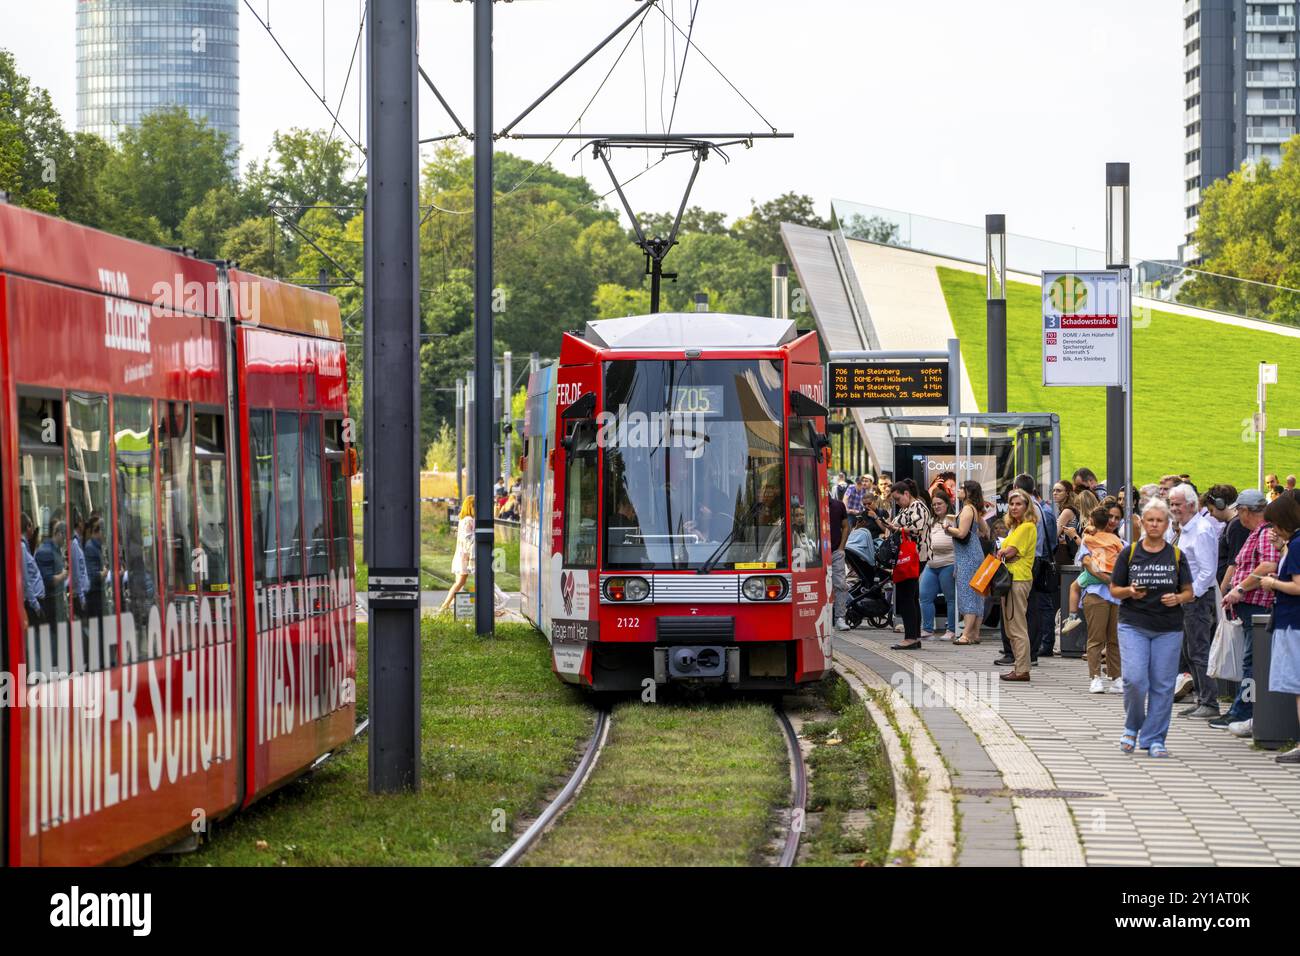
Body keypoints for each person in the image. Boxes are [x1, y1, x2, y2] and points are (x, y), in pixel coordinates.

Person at [1109, 499, 1194, 758]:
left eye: (1160, 520)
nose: (1155, 524)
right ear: (1142, 523)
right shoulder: (1130, 553)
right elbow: (1114, 589)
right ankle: (1132, 726)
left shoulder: (1176, 555)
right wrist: (1130, 592)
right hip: (1134, 624)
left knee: (1163, 685)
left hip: (1168, 627)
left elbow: (1189, 591)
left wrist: (1178, 598)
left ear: (1167, 524)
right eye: (1150, 520)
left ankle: (1155, 738)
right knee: (1135, 680)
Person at [1216, 489, 1279, 735]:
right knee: (1249, 660)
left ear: (1245, 511)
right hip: (1251, 607)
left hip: (1257, 606)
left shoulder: (1263, 533)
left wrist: (1239, 589)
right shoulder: (1259, 533)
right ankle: (1241, 709)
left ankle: (1244, 711)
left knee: (1251, 662)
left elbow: (1268, 564)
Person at [1168, 483, 1222, 719]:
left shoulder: (1200, 530)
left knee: (1199, 650)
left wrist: (1190, 595)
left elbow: (1207, 570)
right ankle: (1202, 698)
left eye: (1178, 504)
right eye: (1171, 504)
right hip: (1189, 597)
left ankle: (1210, 702)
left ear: (1191, 505)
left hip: (1197, 598)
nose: (1174, 508)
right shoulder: (1187, 529)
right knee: (1190, 650)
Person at [1257, 494, 1300, 764]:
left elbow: (1298, 586)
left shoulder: (1296, 546)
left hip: (1293, 623)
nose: (1273, 530)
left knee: (1298, 686)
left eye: (1274, 524)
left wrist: (1273, 584)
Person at [1076, 506, 1124, 694]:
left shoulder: (1112, 539)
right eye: (1110, 517)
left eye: (1116, 517)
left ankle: (1116, 677)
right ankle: (1095, 677)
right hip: (1097, 593)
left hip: (1115, 595)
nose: (1113, 521)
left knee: (1115, 639)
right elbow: (1086, 562)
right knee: (1096, 638)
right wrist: (1111, 580)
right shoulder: (1093, 539)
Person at [884, 478, 933, 650]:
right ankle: (914, 636)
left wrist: (896, 529)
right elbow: (896, 525)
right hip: (911, 556)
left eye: (898, 499)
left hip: (915, 555)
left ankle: (911, 637)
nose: (897, 503)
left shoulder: (918, 506)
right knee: (911, 596)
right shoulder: (907, 508)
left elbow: (917, 527)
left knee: (906, 596)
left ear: (907, 493)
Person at [1063, 504, 1124, 632]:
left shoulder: (1089, 538)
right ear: (1107, 522)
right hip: (1111, 573)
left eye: (1117, 518)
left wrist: (1086, 531)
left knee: (1073, 587)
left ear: (1091, 520)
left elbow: (1085, 554)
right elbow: (1122, 553)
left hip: (1094, 574)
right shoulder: (1115, 539)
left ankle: (1072, 617)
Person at [997, 489, 1037, 681]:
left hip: (1018, 578)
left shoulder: (1027, 527)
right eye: (1011, 504)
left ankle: (1022, 669)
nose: (1014, 507)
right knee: (1011, 625)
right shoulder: (1017, 526)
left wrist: (1002, 550)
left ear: (1027, 506)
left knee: (1017, 625)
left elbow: (1009, 552)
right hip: (1012, 578)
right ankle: (1019, 667)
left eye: (1018, 504)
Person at [948, 480, 990, 646]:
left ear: (968, 492)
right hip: (974, 554)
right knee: (977, 593)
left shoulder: (966, 509)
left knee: (967, 594)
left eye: (962, 488)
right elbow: (985, 530)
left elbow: (961, 532)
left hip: (967, 556)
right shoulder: (975, 510)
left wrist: (947, 528)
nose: (958, 490)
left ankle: (966, 635)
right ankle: (975, 634)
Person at [920, 489, 957, 640]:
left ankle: (952, 629)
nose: (936, 506)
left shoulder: (954, 520)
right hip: (931, 565)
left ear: (947, 504)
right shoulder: (931, 521)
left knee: (950, 599)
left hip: (948, 564)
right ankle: (928, 629)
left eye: (939, 503)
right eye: (934, 504)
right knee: (924, 596)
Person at [438, 496, 476, 614]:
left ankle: (452, 606)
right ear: (472, 506)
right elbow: (469, 538)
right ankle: (445, 605)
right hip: (466, 554)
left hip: (461, 553)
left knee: (460, 582)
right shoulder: (470, 520)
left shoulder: (463, 519)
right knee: (460, 582)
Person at [35, 518, 69, 627]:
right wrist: (63, 575)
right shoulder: (46, 551)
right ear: (58, 534)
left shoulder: (56, 549)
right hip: (51, 605)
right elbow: (48, 581)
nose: (65, 540)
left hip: (57, 602)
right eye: (64, 537)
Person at [828, 489, 849, 629]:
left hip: (835, 551)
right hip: (816, 552)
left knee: (840, 584)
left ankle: (840, 617)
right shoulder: (810, 504)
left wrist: (841, 547)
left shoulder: (838, 505)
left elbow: (846, 526)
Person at [20, 512, 45, 626]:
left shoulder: (26, 546)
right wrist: (36, 606)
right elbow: (26, 580)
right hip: (33, 604)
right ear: (28, 526)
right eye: (31, 525)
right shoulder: (22, 547)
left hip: (36, 601)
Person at [1052, 480, 1082, 564]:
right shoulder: (1068, 509)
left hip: (1066, 552)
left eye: (1059, 491)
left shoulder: (1067, 511)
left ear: (1067, 493)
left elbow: (1055, 535)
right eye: (1053, 490)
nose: (1055, 493)